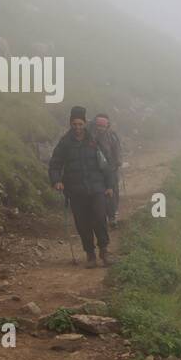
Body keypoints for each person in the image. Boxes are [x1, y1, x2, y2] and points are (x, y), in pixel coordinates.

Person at [48, 105, 116, 268]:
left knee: (100, 218)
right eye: (74, 124)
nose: (77, 127)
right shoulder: (65, 143)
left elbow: (106, 164)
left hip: (97, 188)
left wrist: (110, 185)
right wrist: (56, 180)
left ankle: (104, 251)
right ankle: (90, 254)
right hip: (76, 191)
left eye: (80, 124)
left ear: (85, 123)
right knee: (83, 223)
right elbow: (55, 165)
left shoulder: (94, 140)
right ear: (71, 124)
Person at [88, 113, 122, 228]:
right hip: (96, 170)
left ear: (107, 126)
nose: (100, 128)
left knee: (112, 191)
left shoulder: (111, 136)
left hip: (111, 168)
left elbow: (117, 149)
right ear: (95, 125)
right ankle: (101, 216)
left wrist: (118, 161)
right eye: (98, 126)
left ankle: (112, 216)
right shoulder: (90, 136)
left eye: (103, 126)